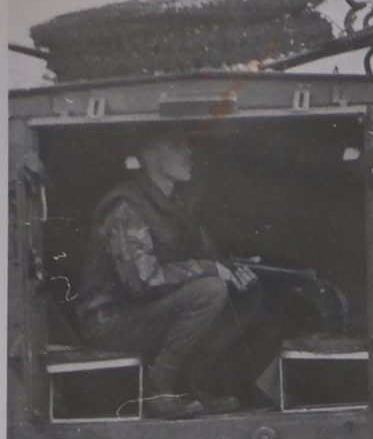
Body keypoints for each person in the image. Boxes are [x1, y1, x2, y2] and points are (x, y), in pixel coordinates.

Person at [77, 132, 261, 419]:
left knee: (244, 293)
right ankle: (158, 390)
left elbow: (206, 255)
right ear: (150, 153)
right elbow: (142, 282)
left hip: (146, 312)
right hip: (111, 322)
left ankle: (191, 384)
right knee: (210, 290)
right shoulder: (126, 206)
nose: (189, 152)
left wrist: (234, 272)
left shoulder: (176, 204)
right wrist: (213, 271)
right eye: (177, 144)